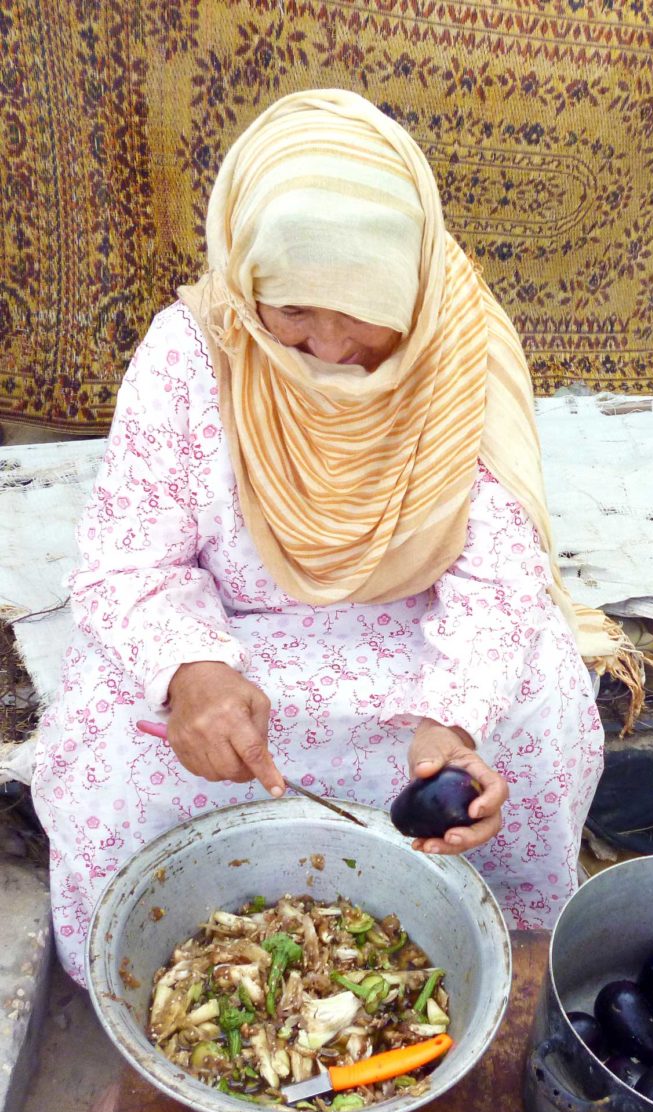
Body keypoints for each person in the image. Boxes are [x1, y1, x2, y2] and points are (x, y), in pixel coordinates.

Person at [33, 89, 620, 1011]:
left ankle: (493, 950)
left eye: (368, 312)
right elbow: (128, 564)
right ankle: (150, 966)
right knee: (110, 742)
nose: (333, 347)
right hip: (235, 644)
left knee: (540, 713)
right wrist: (192, 673)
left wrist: (453, 720)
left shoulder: (461, 353)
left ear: (416, 290)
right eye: (297, 308)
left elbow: (502, 575)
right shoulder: (192, 354)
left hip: (421, 649)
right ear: (248, 272)